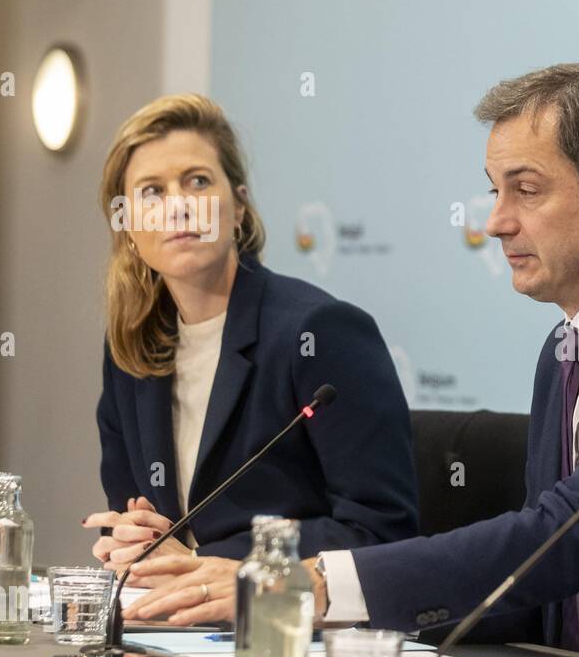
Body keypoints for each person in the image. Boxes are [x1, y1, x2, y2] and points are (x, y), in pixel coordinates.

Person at [126, 65, 579, 657]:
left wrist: (311, 584)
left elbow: (568, 535)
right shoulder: (566, 348)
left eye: (525, 190)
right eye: (494, 191)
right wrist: (353, 629)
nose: (494, 223)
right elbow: (537, 587)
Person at [83, 94, 418, 585]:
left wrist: (204, 565)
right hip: (175, 626)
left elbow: (381, 532)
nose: (177, 207)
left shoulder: (320, 332)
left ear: (238, 207)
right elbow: (139, 519)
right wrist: (134, 537)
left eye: (197, 181)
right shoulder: (131, 353)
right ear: (130, 230)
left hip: (291, 630)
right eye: (151, 192)